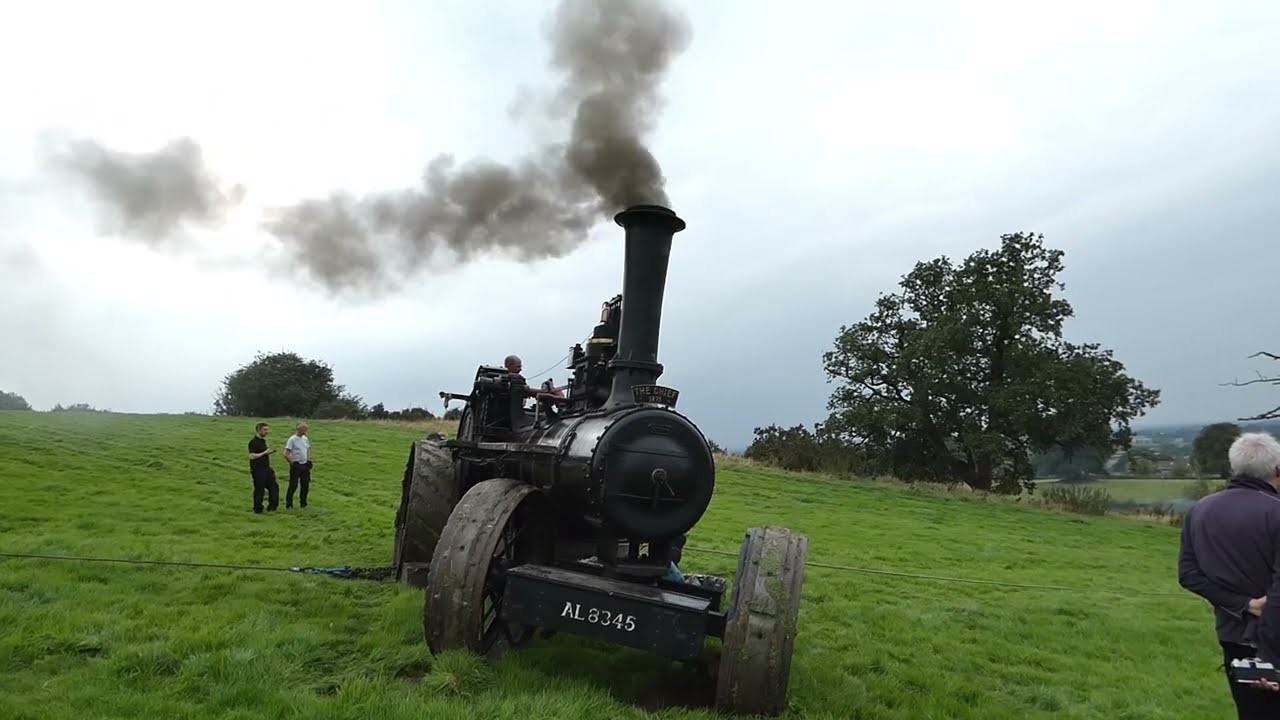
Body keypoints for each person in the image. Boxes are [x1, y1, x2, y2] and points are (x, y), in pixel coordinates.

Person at [1178, 431, 1280, 717]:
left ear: (1234, 468)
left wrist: (1243, 604)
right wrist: (1271, 658)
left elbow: (1188, 575)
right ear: (1277, 470)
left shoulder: (1200, 510)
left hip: (1234, 638)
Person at [246, 421, 279, 514]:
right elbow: (251, 456)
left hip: (266, 468)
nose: (267, 431)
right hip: (257, 470)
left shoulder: (262, 441)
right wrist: (264, 453)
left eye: (267, 430)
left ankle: (272, 507)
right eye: (265, 430)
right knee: (259, 489)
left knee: (274, 487)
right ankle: (258, 509)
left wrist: (269, 453)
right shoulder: (253, 442)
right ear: (259, 430)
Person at [284, 422, 313, 509]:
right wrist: (292, 463)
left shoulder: (305, 439)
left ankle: (303, 503)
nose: (306, 431)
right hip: (296, 465)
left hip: (304, 465)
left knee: (305, 485)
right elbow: (286, 454)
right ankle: (289, 504)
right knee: (293, 485)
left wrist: (308, 460)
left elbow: (307, 450)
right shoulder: (292, 439)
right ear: (299, 429)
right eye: (304, 429)